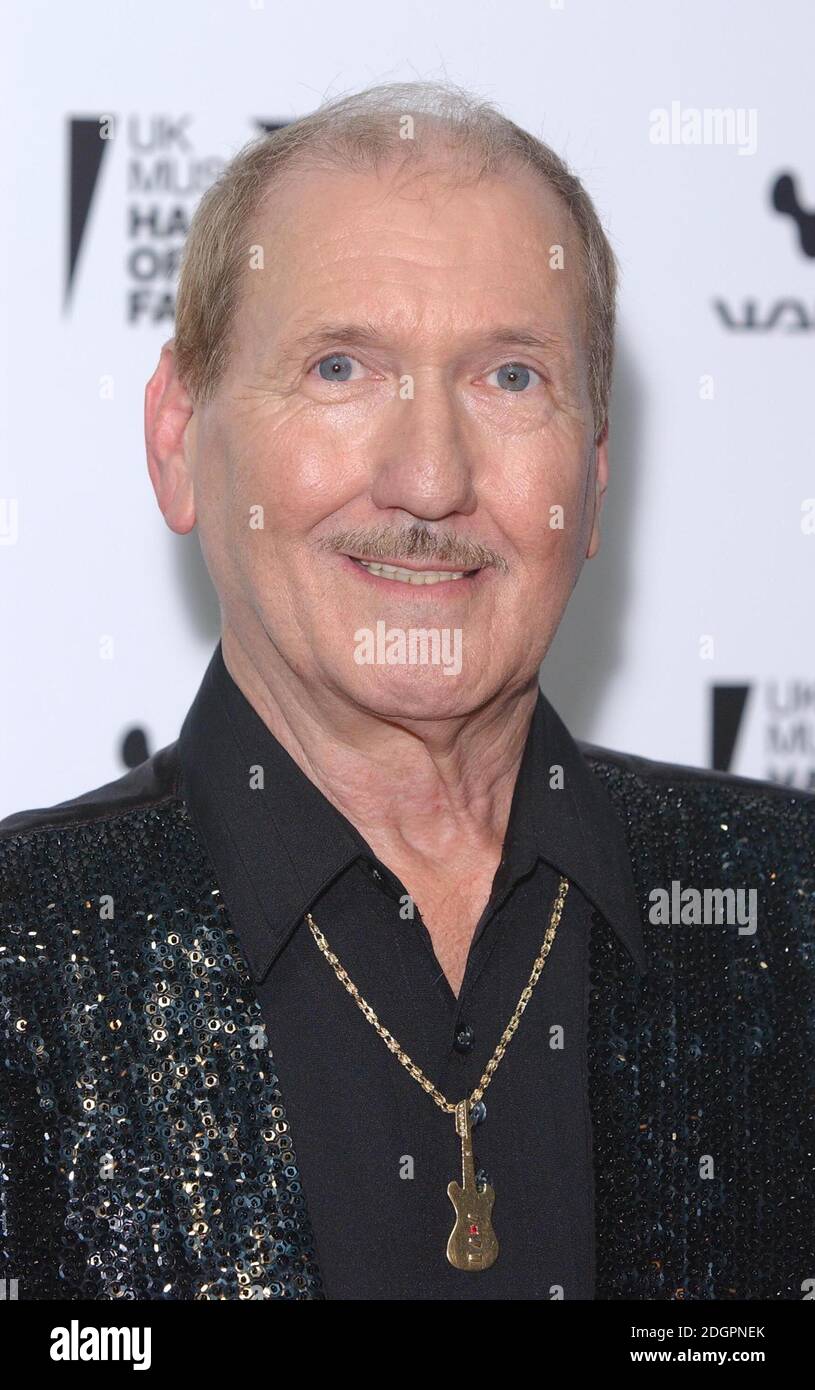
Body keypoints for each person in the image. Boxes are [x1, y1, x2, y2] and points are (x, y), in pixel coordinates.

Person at [1, 81, 812, 1302]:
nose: (428, 480)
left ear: (592, 476)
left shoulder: (783, 909)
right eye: (339, 367)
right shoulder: (23, 955)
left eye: (510, 379)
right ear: (178, 439)